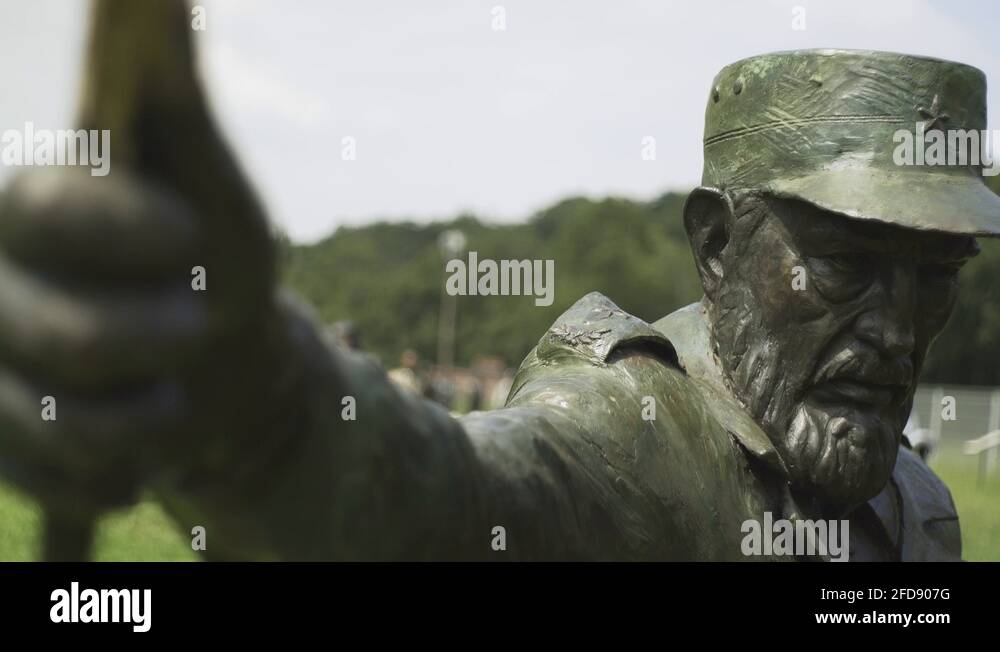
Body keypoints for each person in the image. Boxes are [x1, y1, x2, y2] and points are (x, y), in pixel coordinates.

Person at [0, 3, 990, 560]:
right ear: (719, 246)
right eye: (845, 267)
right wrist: (239, 383)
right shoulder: (631, 440)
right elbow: (447, 500)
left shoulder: (919, 507)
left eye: (933, 277)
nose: (899, 332)